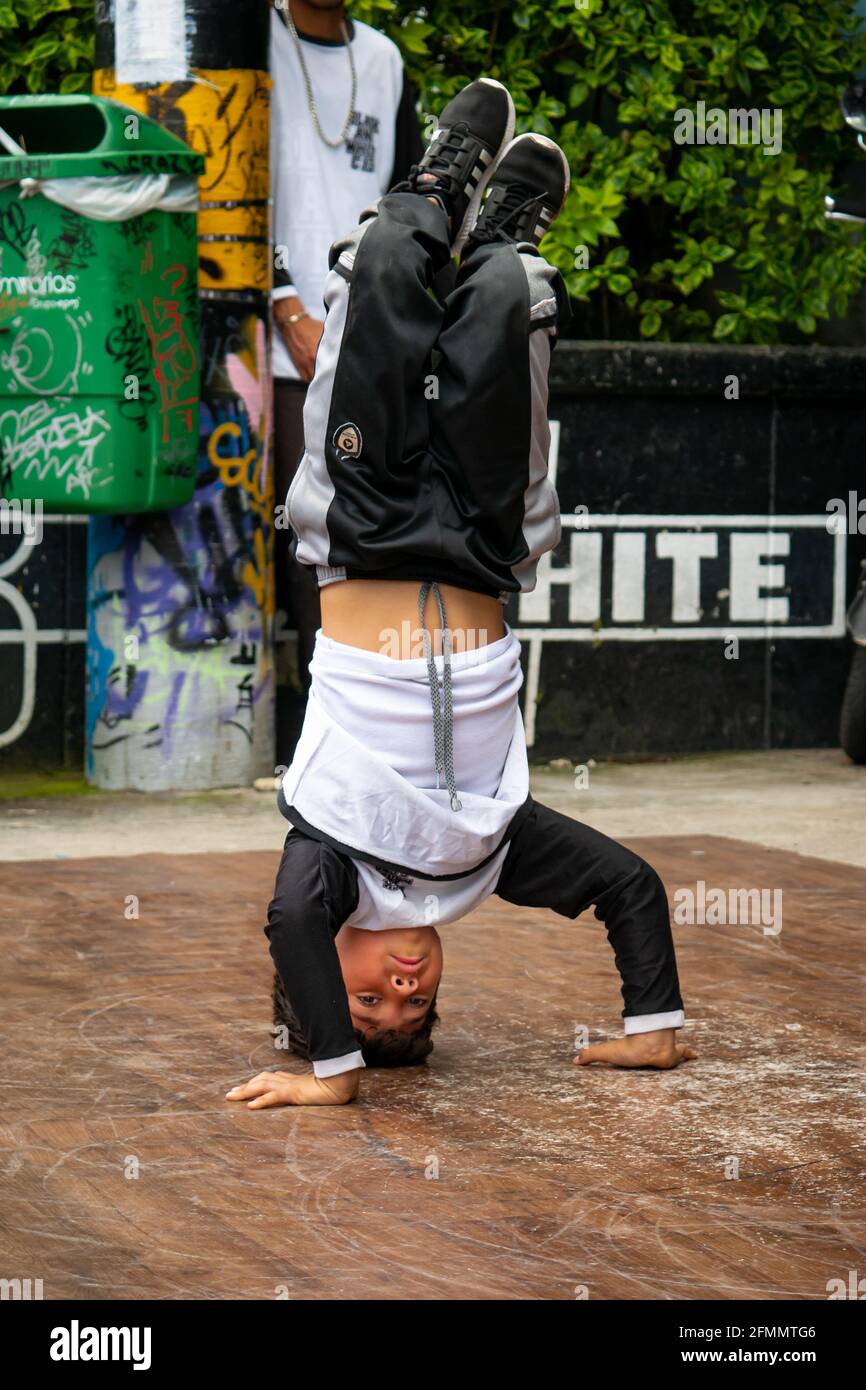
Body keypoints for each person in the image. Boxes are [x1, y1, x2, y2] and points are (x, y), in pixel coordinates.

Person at [228, 79, 694, 1110]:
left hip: (365, 531)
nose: (400, 994)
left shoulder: (330, 859)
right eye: (415, 1014)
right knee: (501, 305)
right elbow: (629, 888)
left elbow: (288, 924)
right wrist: (652, 1030)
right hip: (482, 548)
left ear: (316, 984)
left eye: (366, 1008)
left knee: (388, 275)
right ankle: (502, 236)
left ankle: (439, 185)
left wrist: (332, 1072)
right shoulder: (492, 851)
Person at [270, 0, 423, 707]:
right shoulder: (255, 41)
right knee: (294, 540)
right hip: (275, 346)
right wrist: (284, 302)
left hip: (365, 343)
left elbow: (408, 206)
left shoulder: (385, 61)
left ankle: (351, 720)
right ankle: (298, 734)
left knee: (354, 542)